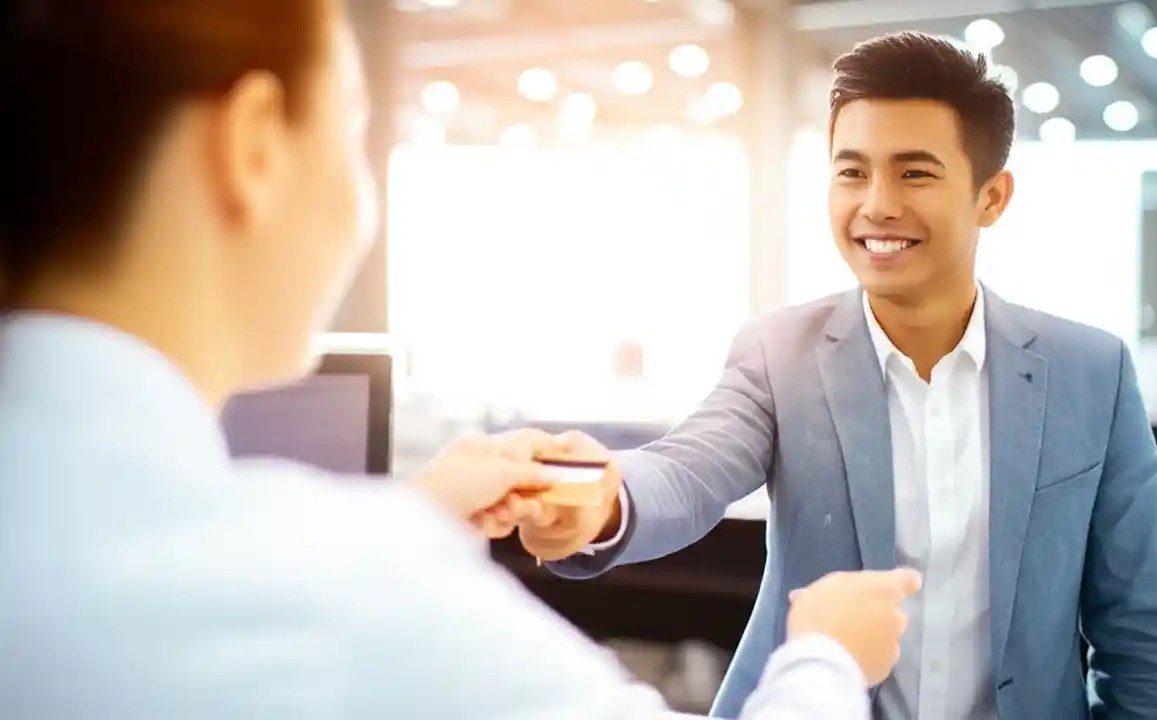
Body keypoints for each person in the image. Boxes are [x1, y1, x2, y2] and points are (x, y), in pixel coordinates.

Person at [0, 2, 920, 718]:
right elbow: (299, 610)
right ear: (252, 147)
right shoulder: (351, 597)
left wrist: (412, 517)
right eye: (354, 130)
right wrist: (828, 659)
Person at [512, 31, 1157, 720]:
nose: (877, 205)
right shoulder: (781, 353)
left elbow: (1137, 628)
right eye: (852, 171)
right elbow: (688, 471)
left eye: (914, 173)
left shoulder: (1090, 373)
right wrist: (603, 502)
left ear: (992, 196)